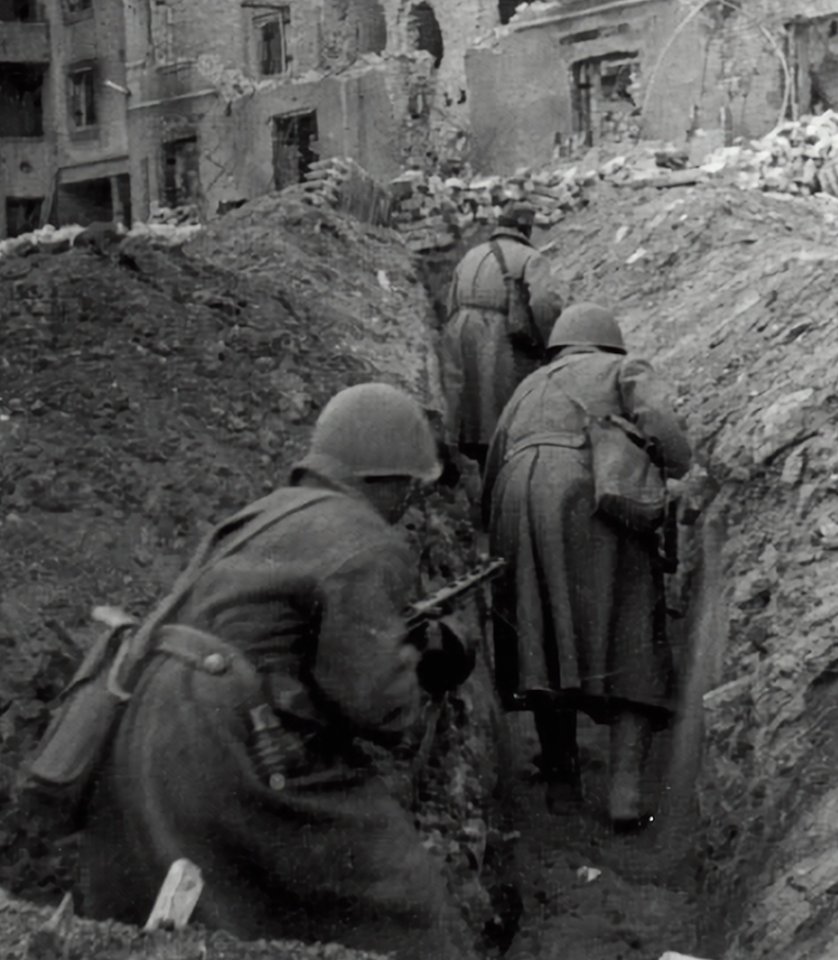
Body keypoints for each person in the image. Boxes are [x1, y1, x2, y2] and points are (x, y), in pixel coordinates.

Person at [78, 383, 475, 960]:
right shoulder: (365, 539)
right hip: (227, 738)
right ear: (382, 479)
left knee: (209, 918)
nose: (409, 504)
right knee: (401, 897)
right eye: (408, 486)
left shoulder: (260, 515)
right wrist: (417, 660)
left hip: (146, 721)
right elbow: (377, 708)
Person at [481, 304, 692, 828]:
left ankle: (561, 780)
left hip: (516, 501)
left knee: (542, 639)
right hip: (590, 496)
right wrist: (681, 467)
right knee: (632, 632)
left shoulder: (526, 388)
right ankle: (624, 794)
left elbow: (490, 471)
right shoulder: (623, 369)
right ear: (609, 344)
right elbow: (662, 425)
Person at [440, 199, 563, 474]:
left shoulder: (471, 255)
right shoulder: (530, 258)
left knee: (465, 402)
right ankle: (498, 470)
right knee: (497, 407)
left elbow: (450, 301)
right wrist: (552, 344)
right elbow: (545, 304)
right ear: (527, 229)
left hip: (457, 329)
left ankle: (459, 459)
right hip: (495, 333)